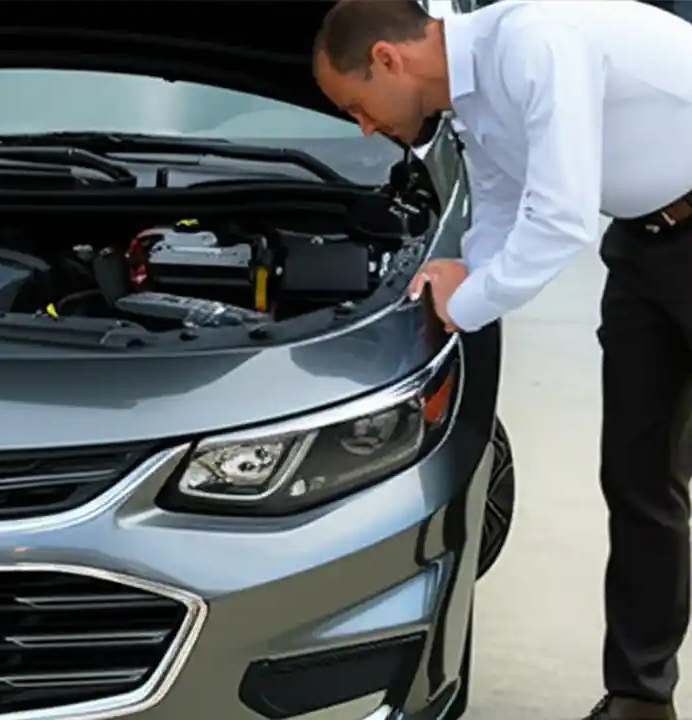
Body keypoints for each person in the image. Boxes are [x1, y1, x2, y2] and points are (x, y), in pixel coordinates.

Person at [311, 1, 692, 718]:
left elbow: (560, 215)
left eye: (356, 106)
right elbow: (499, 209)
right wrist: (455, 281)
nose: (364, 127)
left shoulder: (532, 45)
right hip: (646, 245)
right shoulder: (466, 104)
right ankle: (640, 700)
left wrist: (470, 302)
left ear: (389, 60)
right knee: (639, 475)